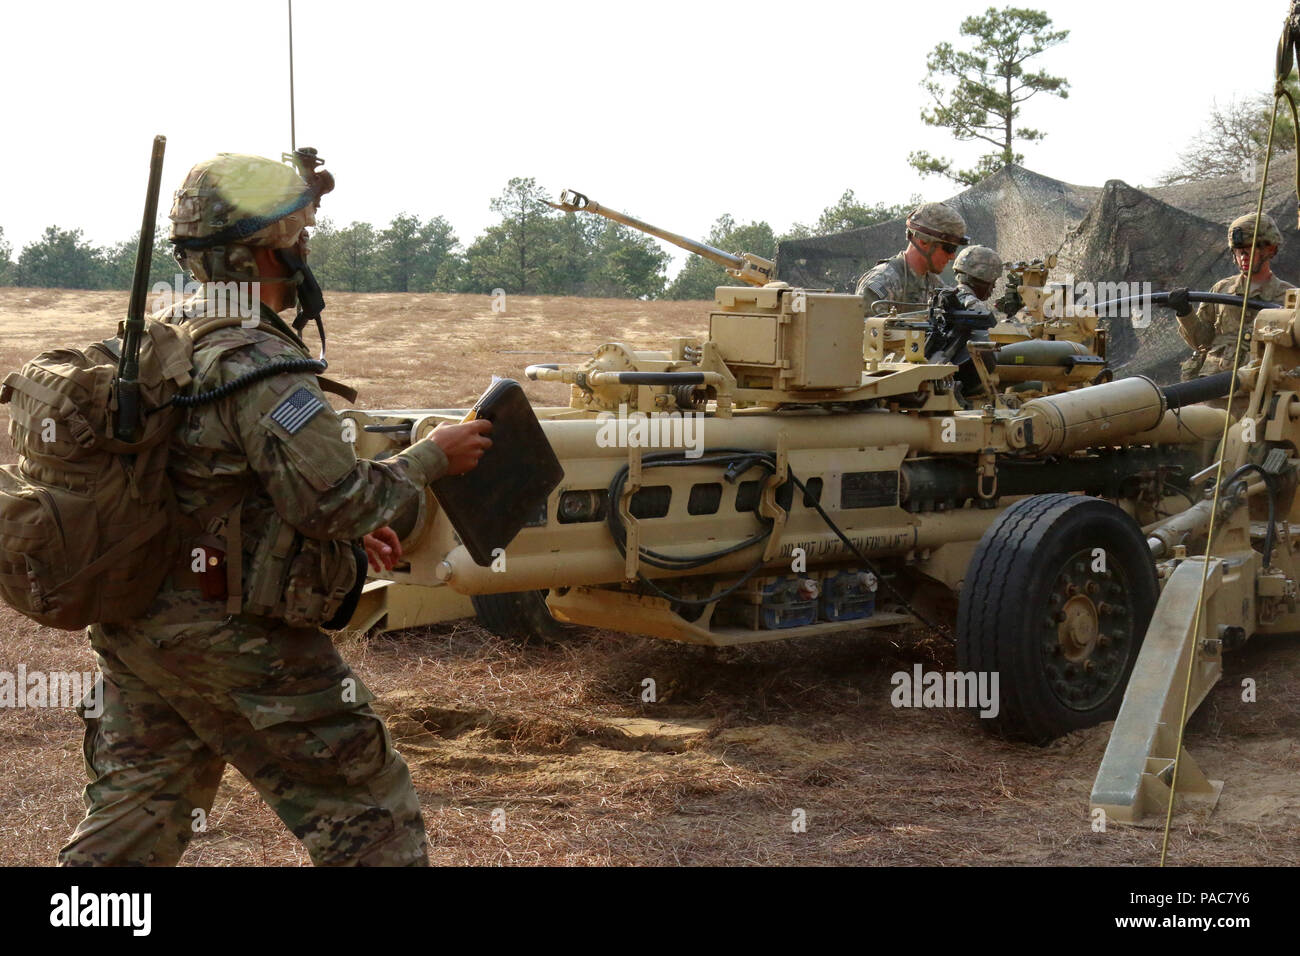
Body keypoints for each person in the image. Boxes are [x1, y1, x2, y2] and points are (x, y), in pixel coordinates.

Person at [58, 152, 493, 867]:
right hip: (240, 643)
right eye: (300, 237)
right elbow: (339, 500)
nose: (306, 253)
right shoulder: (256, 360)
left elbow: (207, 488)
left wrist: (345, 546)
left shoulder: (157, 341)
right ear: (264, 251)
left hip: (138, 629)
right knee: (369, 812)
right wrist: (432, 457)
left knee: (132, 820)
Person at [1176, 213, 1294, 381]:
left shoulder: (1289, 298)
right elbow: (1202, 341)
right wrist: (1184, 313)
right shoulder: (1221, 290)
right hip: (1213, 388)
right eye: (1238, 250)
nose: (1243, 256)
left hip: (1262, 388)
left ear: (1271, 249)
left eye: (1251, 247)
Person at [856, 202, 969, 314]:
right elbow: (863, 330)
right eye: (949, 248)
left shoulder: (935, 285)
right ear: (923, 241)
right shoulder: (883, 282)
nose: (952, 256)